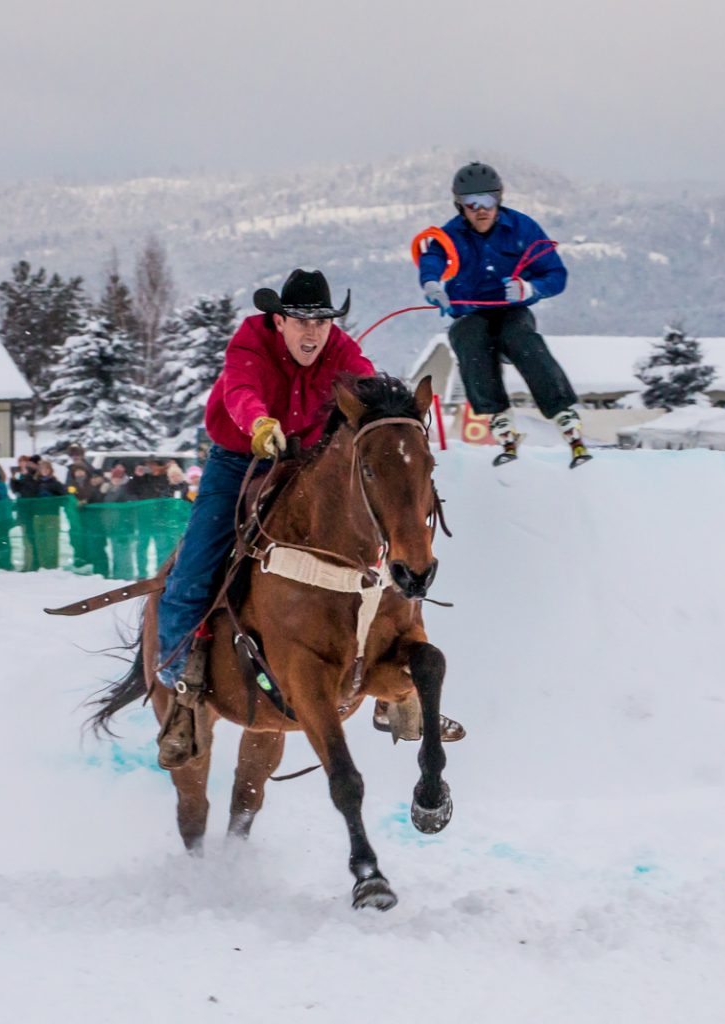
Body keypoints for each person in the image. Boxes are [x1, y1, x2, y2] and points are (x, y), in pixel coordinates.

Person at [153, 267, 374, 767]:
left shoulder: (342, 352)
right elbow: (240, 390)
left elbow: (367, 386)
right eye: (301, 320)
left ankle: (394, 677)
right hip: (240, 459)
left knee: (381, 548)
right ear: (279, 321)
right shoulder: (249, 343)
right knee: (195, 566)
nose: (313, 332)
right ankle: (183, 690)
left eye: (322, 322)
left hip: (308, 462)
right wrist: (257, 422)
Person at [417, 161, 591, 467]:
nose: (481, 210)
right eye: (472, 203)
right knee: (467, 339)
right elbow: (432, 257)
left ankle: (563, 412)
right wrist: (431, 284)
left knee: (521, 338)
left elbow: (555, 274)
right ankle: (498, 416)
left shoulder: (523, 229)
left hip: (512, 311)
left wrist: (530, 289)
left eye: (488, 201)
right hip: (470, 314)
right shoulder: (450, 234)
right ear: (460, 205)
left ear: (499, 199)